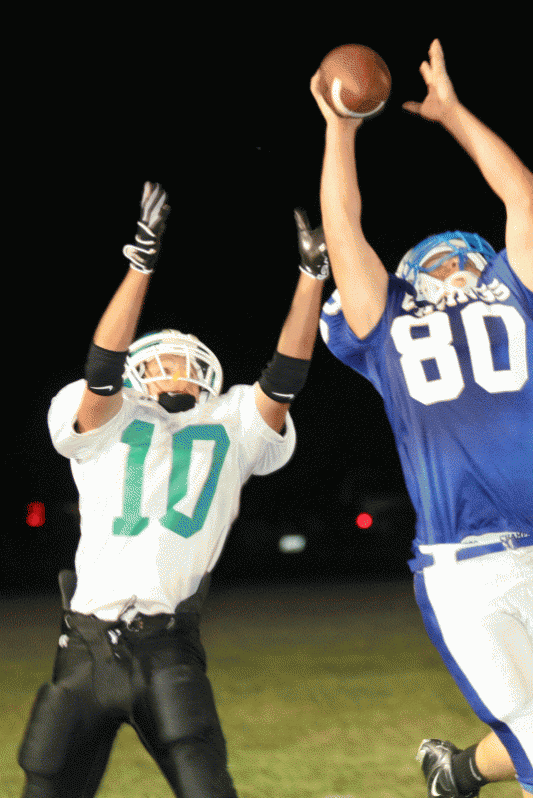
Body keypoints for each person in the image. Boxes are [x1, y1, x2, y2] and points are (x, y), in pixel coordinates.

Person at [311, 39, 533, 798]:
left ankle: (460, 773)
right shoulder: (387, 325)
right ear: (405, 279)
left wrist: (453, 115)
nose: (445, 261)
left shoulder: (525, 301)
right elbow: (343, 229)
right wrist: (339, 131)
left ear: (487, 263)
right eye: (427, 257)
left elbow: (525, 202)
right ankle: (470, 773)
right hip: (464, 568)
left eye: (458, 252)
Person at [18, 184, 329, 798]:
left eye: (187, 362)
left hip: (167, 645)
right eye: (162, 362)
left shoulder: (231, 423)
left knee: (209, 789)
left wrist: (311, 276)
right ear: (138, 374)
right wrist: (140, 264)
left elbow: (284, 378)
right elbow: (102, 368)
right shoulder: (108, 418)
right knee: (47, 789)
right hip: (84, 645)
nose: (178, 370)